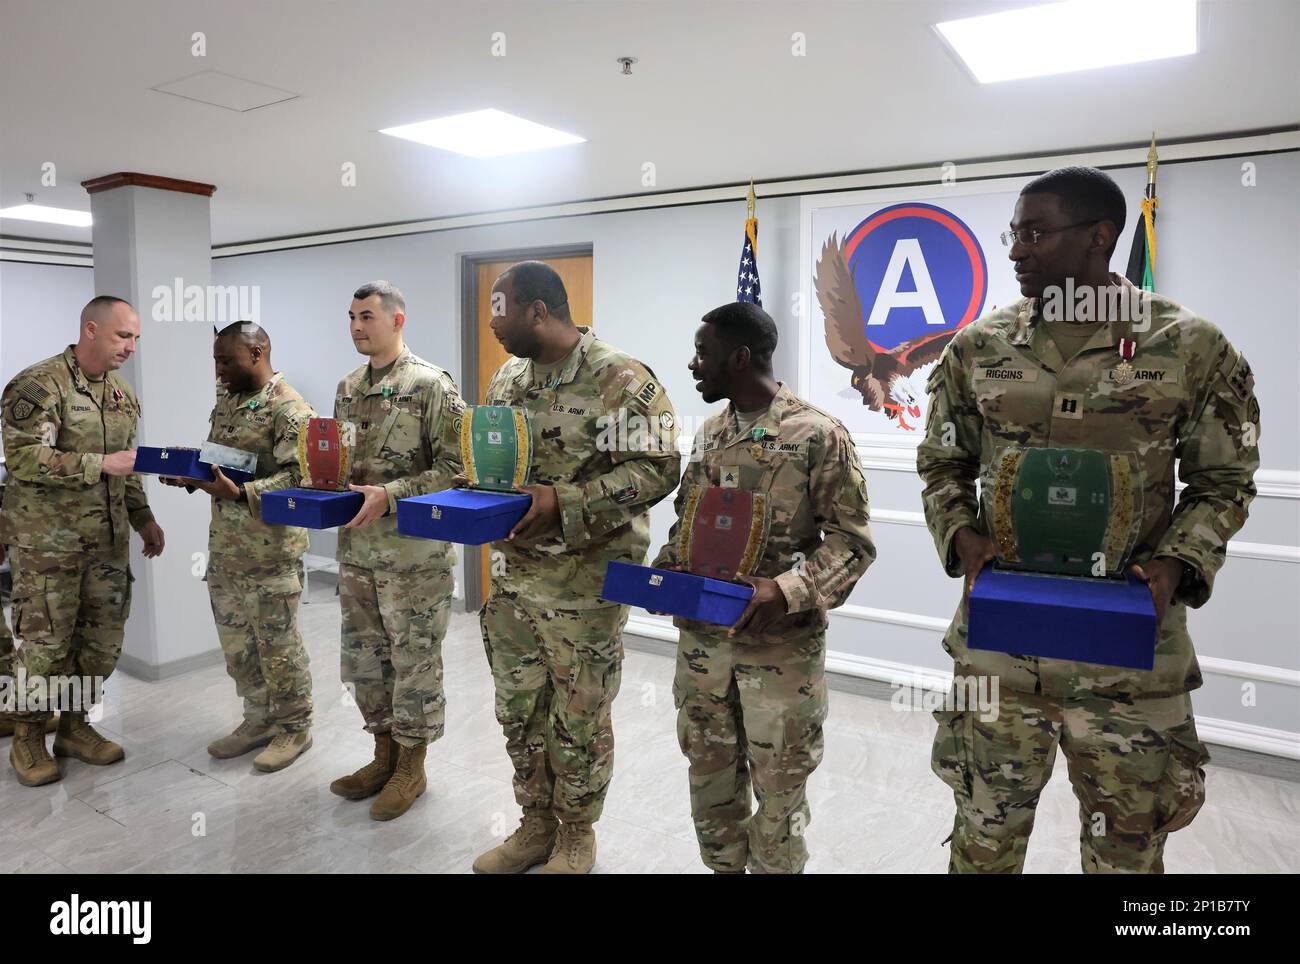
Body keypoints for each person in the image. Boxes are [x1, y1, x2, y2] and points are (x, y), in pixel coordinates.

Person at [917, 166, 1260, 873]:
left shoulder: (1190, 346)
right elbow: (942, 462)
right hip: (1000, 651)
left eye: (1036, 233)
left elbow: (1225, 479)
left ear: (1100, 237)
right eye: (1014, 234)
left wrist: (1177, 564)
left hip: (1128, 653)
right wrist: (961, 535)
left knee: (1126, 851)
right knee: (983, 839)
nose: (1017, 250)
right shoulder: (978, 348)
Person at [472, 261, 680, 874]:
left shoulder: (619, 379)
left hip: (583, 587)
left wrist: (565, 502)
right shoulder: (508, 380)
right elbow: (496, 459)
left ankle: (576, 834)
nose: (493, 323)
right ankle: (535, 823)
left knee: (578, 718)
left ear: (539, 311)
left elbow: (658, 469)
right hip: (512, 580)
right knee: (518, 708)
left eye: (501, 309)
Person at [652, 301, 875, 873]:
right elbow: (689, 524)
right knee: (711, 788)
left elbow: (852, 544)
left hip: (780, 658)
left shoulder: (817, 434)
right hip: (704, 652)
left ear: (740, 356)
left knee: (779, 801)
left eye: (703, 353)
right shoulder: (709, 434)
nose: (693, 364)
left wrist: (786, 589)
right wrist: (667, 569)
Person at [0, 295, 165, 785]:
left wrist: (144, 516)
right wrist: (98, 465)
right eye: (122, 336)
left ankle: (74, 727)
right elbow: (24, 460)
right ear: (90, 329)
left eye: (135, 337)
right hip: (49, 548)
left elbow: (129, 464)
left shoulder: (121, 395)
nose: (131, 346)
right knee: (44, 647)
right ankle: (28, 736)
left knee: (99, 645)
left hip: (107, 546)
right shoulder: (38, 385)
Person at [327, 281, 465, 821]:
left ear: (397, 320)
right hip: (357, 550)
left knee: (413, 662)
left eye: (367, 316)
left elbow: (457, 469)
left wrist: (393, 494)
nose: (358, 326)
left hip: (414, 558)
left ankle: (412, 765)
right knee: (365, 661)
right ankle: (382, 754)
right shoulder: (347, 386)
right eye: (351, 317)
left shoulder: (431, 385)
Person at [163, 321, 317, 771]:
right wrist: (194, 474)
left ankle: (294, 727)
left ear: (257, 352)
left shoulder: (290, 408)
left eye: (225, 360)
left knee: (278, 647)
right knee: (238, 646)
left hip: (271, 554)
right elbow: (225, 463)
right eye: (215, 359)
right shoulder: (228, 400)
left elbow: (299, 479)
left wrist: (240, 494)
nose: (218, 369)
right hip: (227, 550)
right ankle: (258, 720)